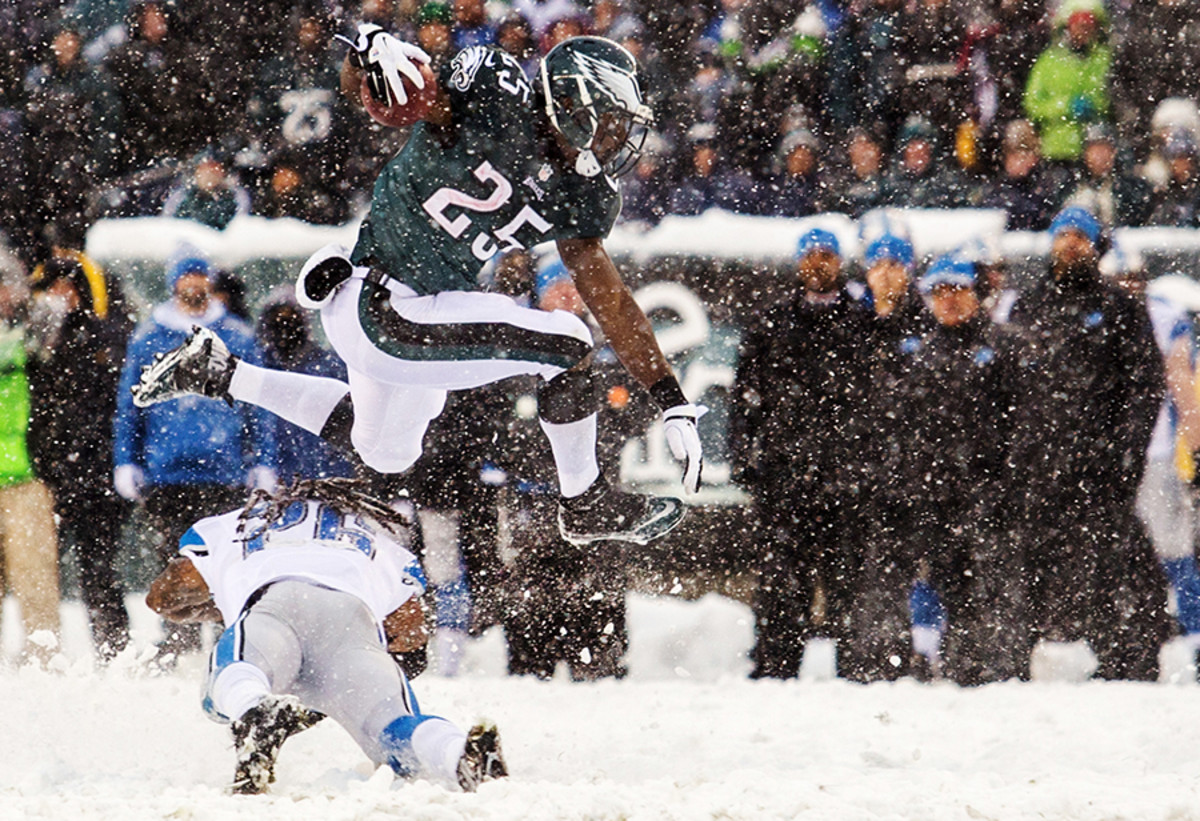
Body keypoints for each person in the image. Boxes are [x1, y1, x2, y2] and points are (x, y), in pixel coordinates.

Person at [131, 34, 703, 549]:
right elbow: (396, 94)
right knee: (569, 341)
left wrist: (671, 399)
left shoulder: (581, 193)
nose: (617, 136)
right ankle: (585, 501)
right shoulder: (496, 92)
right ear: (569, 103)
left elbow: (613, 300)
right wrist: (376, 62)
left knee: (387, 451)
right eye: (608, 119)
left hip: (416, 311)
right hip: (380, 302)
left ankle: (222, 373)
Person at [145, 477, 506, 794]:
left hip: (275, 606)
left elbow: (164, 595)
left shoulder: (230, 525)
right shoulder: (381, 542)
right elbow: (410, 631)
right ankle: (457, 752)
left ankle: (256, 710)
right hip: (350, 622)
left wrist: (224, 600)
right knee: (392, 726)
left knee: (231, 681)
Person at [1001, 206, 1172, 680]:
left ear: (1096, 246)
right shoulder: (1027, 305)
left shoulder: (1119, 307)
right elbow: (1009, 388)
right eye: (1063, 235)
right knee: (1028, 566)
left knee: (1113, 569)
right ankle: (1014, 663)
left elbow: (1144, 386)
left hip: (1100, 469)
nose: (1071, 243)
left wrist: (1125, 454)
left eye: (1081, 236)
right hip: (1038, 468)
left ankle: (1127, 662)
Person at [114, 250, 277, 662]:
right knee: (174, 563)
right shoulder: (149, 337)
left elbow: (259, 405)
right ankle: (177, 646)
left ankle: (229, 646)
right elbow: (130, 407)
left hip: (224, 473)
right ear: (173, 283)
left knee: (228, 563)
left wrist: (263, 461)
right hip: (167, 474)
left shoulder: (237, 336)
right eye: (185, 276)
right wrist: (126, 459)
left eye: (199, 275)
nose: (193, 283)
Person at [730, 228, 874, 680]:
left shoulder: (860, 321)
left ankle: (856, 673)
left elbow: (875, 401)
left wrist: (863, 464)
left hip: (843, 479)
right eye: (810, 255)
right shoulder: (772, 321)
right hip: (783, 477)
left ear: (839, 262)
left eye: (826, 255)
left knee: (847, 585)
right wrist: (742, 456)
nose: (817, 263)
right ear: (797, 263)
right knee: (779, 586)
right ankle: (775, 671)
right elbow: (744, 398)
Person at [903, 253, 1027, 685]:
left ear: (976, 294)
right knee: (950, 585)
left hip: (991, 491)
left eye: (957, 290)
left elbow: (1023, 421)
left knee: (996, 588)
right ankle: (960, 669)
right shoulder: (922, 352)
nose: (949, 301)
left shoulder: (1003, 346)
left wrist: (1005, 482)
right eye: (940, 293)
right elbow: (910, 427)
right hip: (941, 495)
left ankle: (1002, 672)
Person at [25, 254, 132, 661]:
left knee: (98, 571)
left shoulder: (106, 337)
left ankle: (113, 652)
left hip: (94, 476)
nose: (62, 297)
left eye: (70, 288)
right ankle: (41, 656)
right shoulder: (33, 343)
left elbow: (116, 407)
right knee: (37, 575)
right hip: (45, 475)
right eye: (54, 289)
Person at [0, 264, 61, 664]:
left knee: (35, 579)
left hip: (27, 479)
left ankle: (44, 656)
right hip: (22, 471)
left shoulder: (37, 336)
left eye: (7, 286)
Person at [1022, 0, 1112, 166]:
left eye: (1089, 26)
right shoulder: (1049, 61)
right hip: (1057, 150)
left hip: (1096, 152)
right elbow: (1032, 105)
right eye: (1079, 25)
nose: (1084, 31)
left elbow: (1112, 99)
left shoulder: (1104, 58)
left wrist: (1096, 106)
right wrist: (1065, 106)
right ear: (1068, 26)